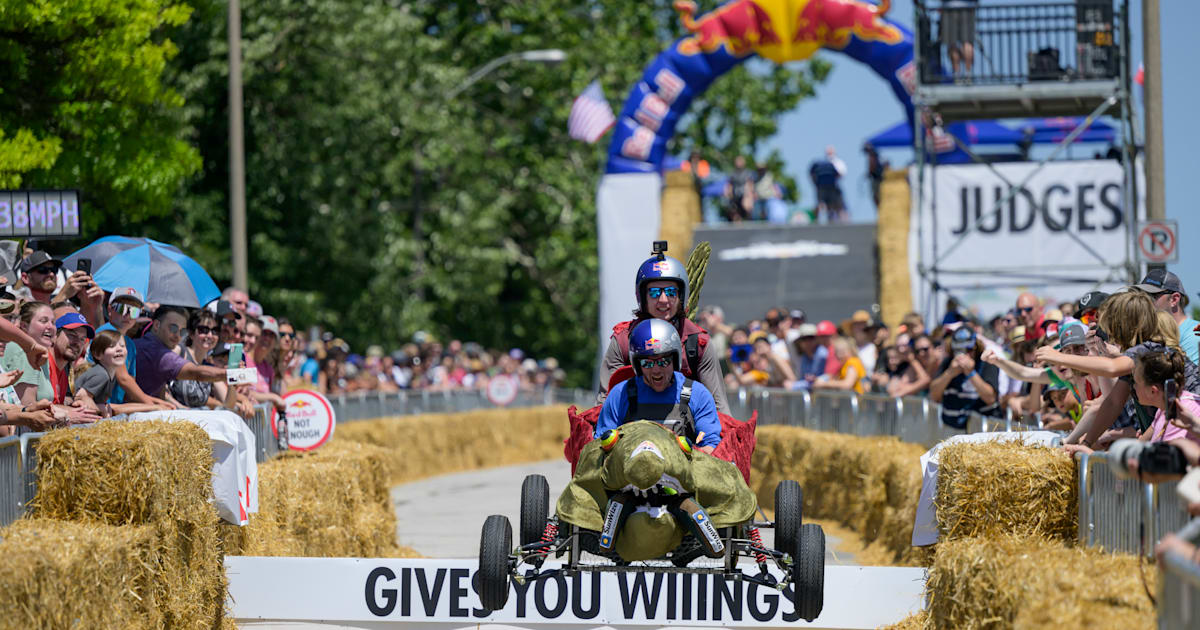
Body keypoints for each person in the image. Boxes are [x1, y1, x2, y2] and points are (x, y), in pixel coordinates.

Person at [597, 245, 729, 414]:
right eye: (654, 292)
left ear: (682, 296)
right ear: (642, 296)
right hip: (631, 427)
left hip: (686, 428)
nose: (663, 300)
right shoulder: (623, 340)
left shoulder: (698, 344)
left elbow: (719, 408)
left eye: (671, 292)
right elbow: (603, 405)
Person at [594, 319, 721, 454]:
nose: (656, 370)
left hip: (681, 466)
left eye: (663, 361)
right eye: (647, 363)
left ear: (675, 359)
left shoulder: (697, 394)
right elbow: (601, 445)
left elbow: (711, 446)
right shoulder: (620, 394)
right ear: (637, 364)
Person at [134, 306, 229, 398]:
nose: (177, 335)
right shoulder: (161, 354)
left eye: (182, 331)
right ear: (156, 325)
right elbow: (196, 373)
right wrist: (231, 374)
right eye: (173, 328)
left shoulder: (146, 344)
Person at [75, 330, 171, 416]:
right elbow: (80, 396)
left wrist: (154, 405)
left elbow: (108, 406)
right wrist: (99, 410)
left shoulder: (110, 374)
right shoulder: (101, 374)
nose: (119, 349)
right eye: (112, 346)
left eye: (122, 346)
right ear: (97, 354)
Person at [930, 327, 999, 428]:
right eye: (959, 350)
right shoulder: (948, 363)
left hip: (983, 431)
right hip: (953, 428)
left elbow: (990, 398)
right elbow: (934, 396)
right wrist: (949, 373)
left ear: (976, 347)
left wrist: (971, 373)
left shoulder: (987, 363)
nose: (965, 354)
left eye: (969, 349)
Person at [1132, 268, 1199, 365]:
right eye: (1142, 295)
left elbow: (1182, 373)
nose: (1144, 301)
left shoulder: (1194, 334)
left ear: (1174, 299)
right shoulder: (1146, 331)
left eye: (1152, 296)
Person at [942, 0, 978, 81]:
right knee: (967, 43)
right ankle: (968, 74)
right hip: (968, 8)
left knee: (952, 44)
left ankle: (957, 75)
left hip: (949, 8)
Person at [809, 146, 847, 223]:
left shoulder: (820, 163)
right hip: (832, 187)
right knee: (833, 205)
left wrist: (816, 184)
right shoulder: (836, 162)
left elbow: (812, 174)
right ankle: (834, 220)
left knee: (820, 203)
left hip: (821, 187)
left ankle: (816, 220)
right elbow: (841, 174)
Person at [790, 323, 828, 390]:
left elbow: (822, 380)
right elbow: (806, 380)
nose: (808, 342)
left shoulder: (822, 354)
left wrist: (794, 386)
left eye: (811, 338)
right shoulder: (804, 356)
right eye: (804, 339)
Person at [723, 156, 754, 222]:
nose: (738, 163)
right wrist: (728, 193)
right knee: (733, 210)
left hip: (745, 195)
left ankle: (749, 221)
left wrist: (749, 195)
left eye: (740, 162)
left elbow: (750, 184)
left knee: (747, 207)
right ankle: (737, 224)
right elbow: (730, 185)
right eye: (737, 162)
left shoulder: (747, 173)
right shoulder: (733, 173)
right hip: (735, 195)